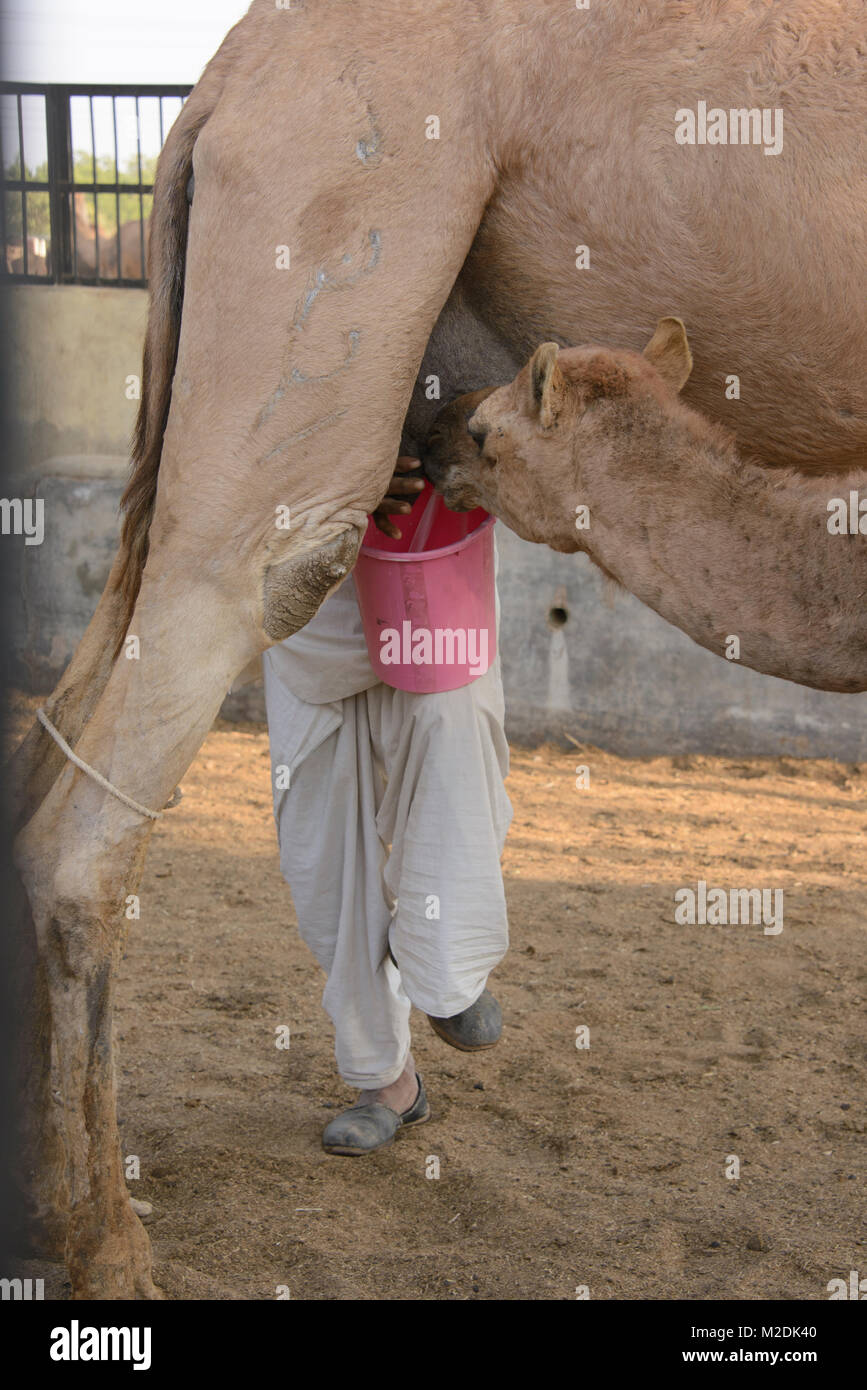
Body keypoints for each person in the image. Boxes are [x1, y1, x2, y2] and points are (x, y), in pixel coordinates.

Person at [263, 459, 513, 1155]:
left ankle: (445, 968)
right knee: (320, 839)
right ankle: (387, 1082)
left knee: (455, 748)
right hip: (301, 574)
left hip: (432, 566)